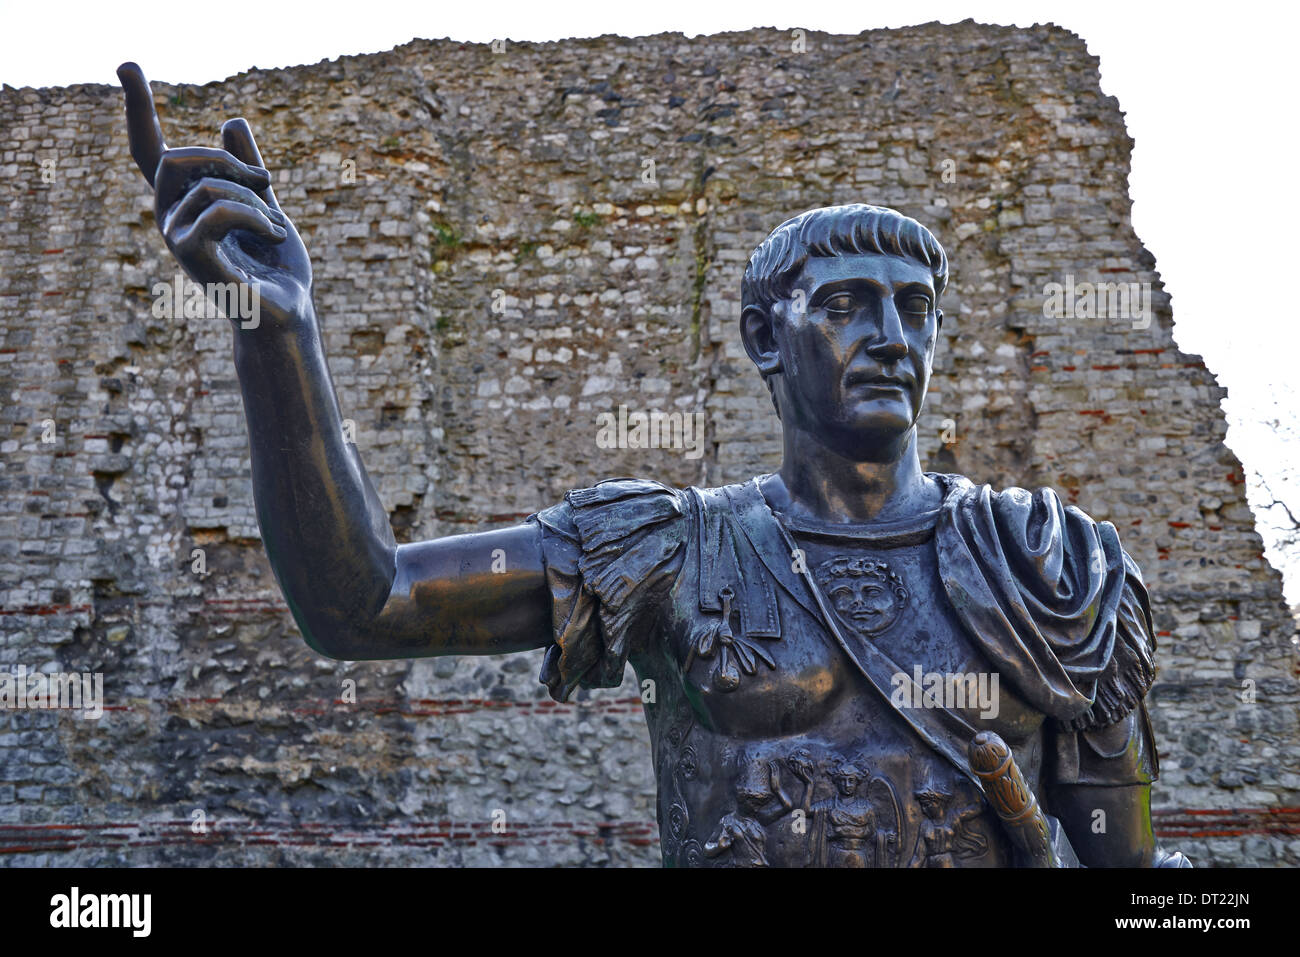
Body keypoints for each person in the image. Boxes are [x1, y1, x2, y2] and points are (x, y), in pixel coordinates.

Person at [119, 61, 1189, 867]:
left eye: (916, 311)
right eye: (846, 306)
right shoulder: (668, 551)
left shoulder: (1053, 567)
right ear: (768, 339)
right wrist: (277, 335)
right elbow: (365, 604)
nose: (893, 339)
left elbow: (1134, 878)